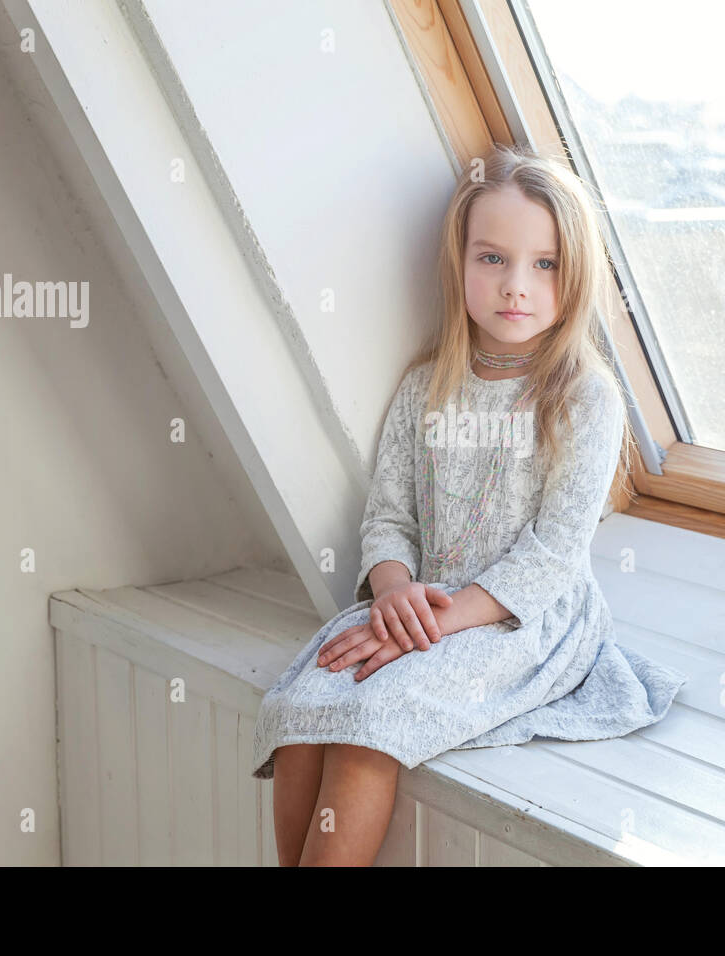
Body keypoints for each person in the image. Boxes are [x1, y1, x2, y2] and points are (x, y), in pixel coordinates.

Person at [250, 143, 688, 866]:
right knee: (303, 712)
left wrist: (431, 624)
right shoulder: (426, 387)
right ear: (459, 264)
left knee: (372, 723)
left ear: (572, 275)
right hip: (421, 606)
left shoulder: (585, 397)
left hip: (525, 620)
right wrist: (393, 598)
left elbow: (551, 557)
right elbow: (389, 517)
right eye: (492, 259)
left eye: (543, 264)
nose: (516, 284)